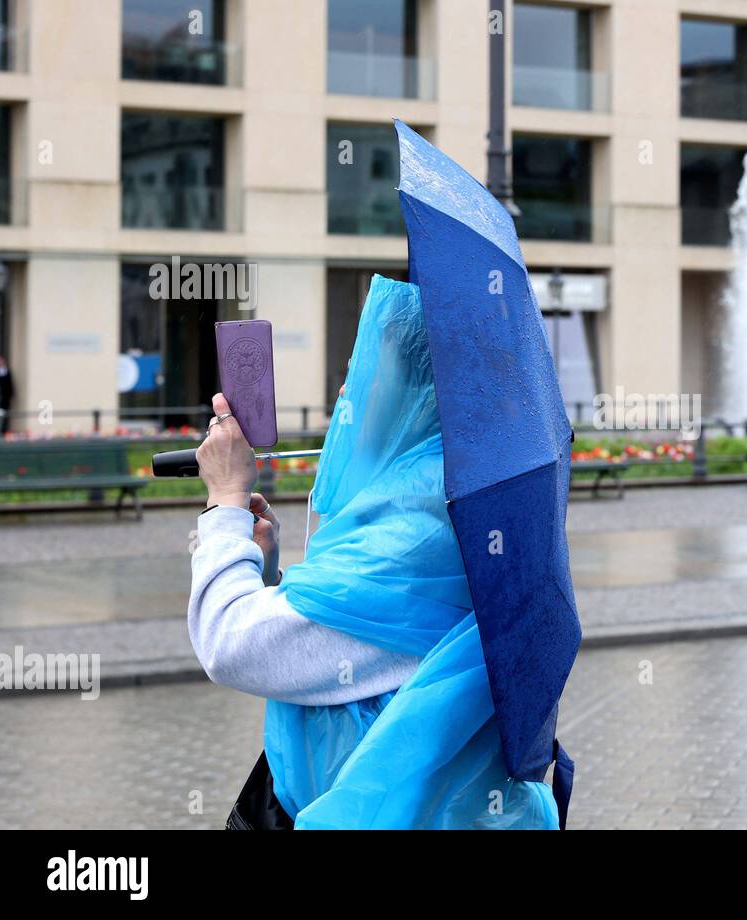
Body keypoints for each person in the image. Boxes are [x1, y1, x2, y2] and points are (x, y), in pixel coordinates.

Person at [189, 276, 557, 829]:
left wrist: (225, 501)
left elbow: (232, 645)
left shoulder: (420, 527)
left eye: (363, 372)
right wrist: (267, 571)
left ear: (417, 393)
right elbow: (351, 639)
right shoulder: (455, 492)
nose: (345, 395)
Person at [0, 355, 13, 435]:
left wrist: (11, 395)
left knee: (4, 414)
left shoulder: (7, 372)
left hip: (4, 398)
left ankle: (3, 430)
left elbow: (10, 385)